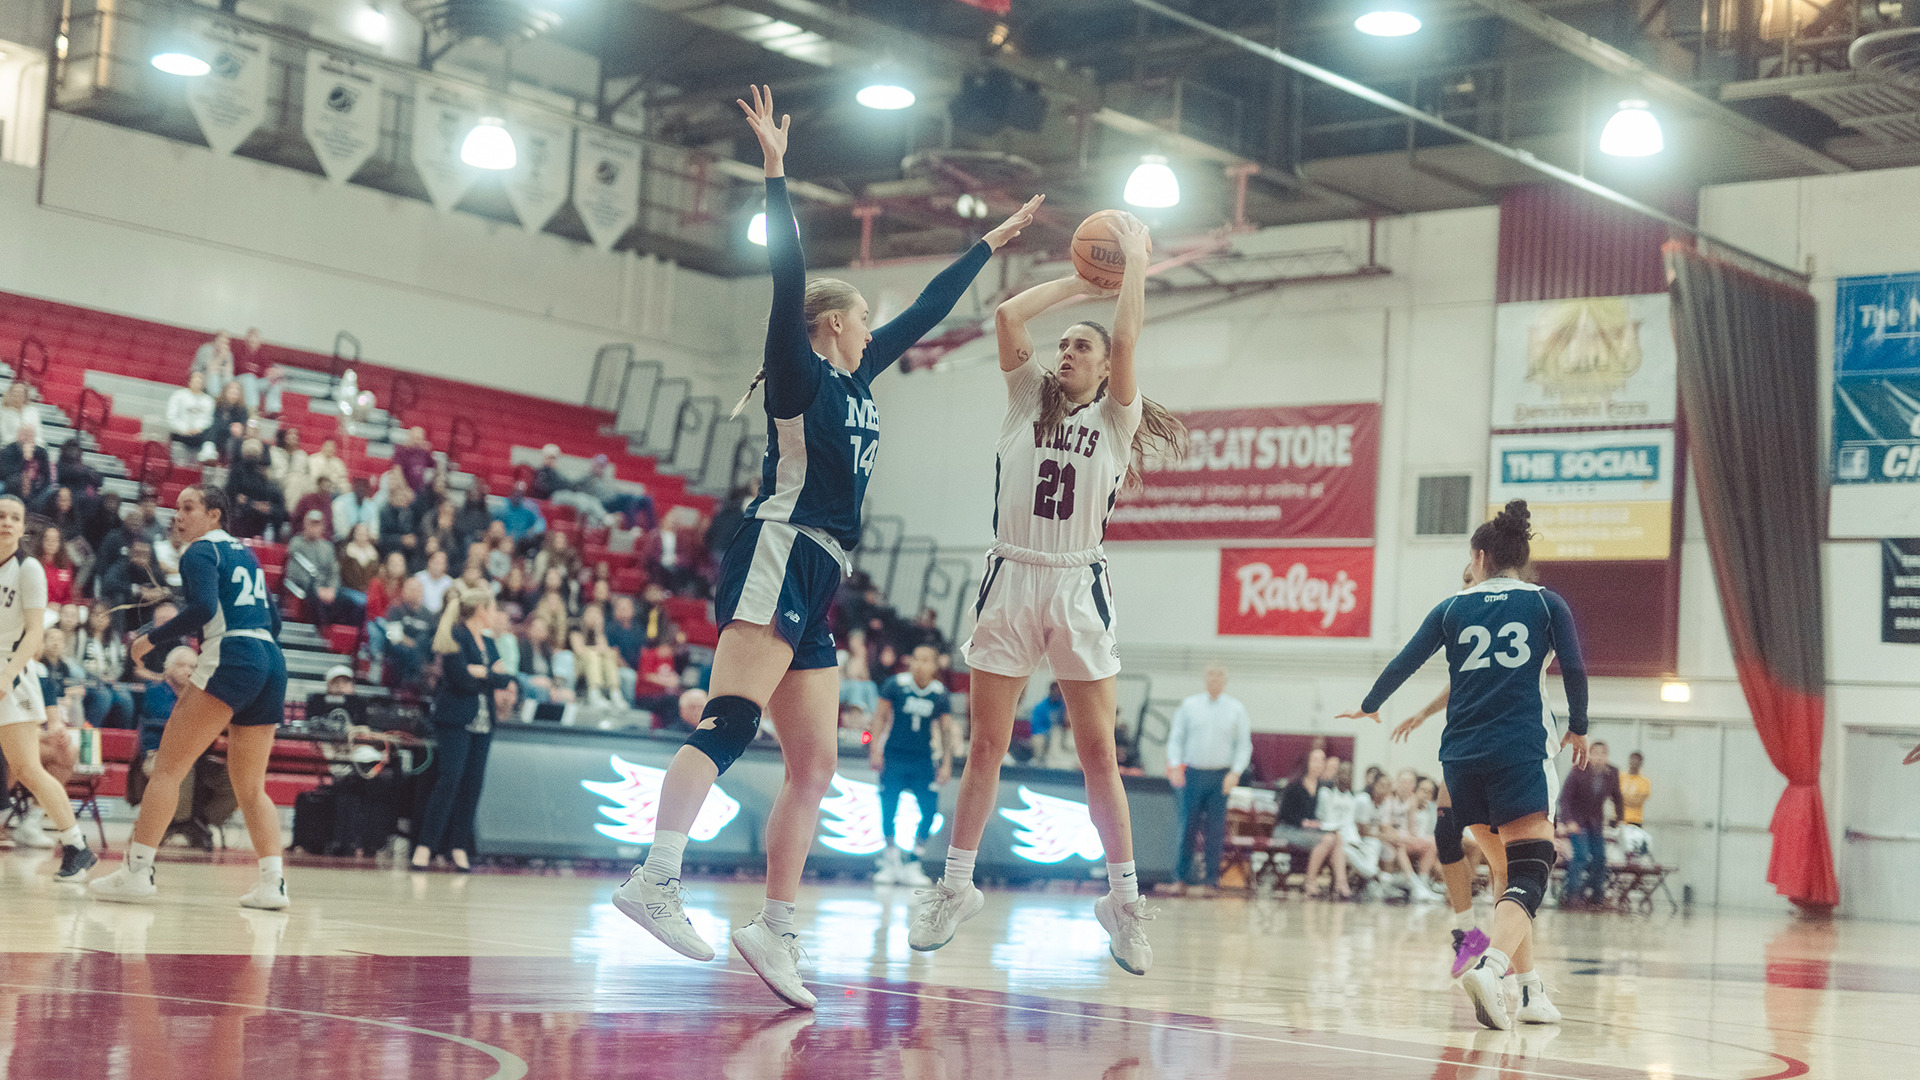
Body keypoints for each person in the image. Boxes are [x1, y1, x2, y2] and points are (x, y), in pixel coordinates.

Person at [612, 85, 1036, 1010]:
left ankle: (775, 926)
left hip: (824, 573)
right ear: (837, 320)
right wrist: (774, 172)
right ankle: (656, 877)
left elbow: (924, 314)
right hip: (781, 547)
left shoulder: (861, 375)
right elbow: (789, 277)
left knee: (816, 766)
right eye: (863, 313)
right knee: (728, 722)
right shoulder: (802, 370)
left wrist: (988, 249)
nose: (876, 321)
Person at [915, 213, 1184, 976]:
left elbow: (1129, 339)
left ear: (1104, 370)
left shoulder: (1116, 416)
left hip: (1075, 583)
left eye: (1081, 346)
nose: (1066, 351)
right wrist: (1079, 281)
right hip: (1011, 574)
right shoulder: (1023, 399)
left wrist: (1131, 267)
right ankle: (954, 888)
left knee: (1100, 751)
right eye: (1064, 343)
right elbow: (1006, 316)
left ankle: (1123, 903)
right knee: (987, 748)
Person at [1340, 499, 1586, 1030]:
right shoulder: (1545, 603)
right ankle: (1490, 963)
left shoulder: (1454, 606)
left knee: (1504, 871)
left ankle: (1530, 990)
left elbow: (1407, 659)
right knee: (1530, 868)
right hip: (1520, 752)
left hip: (1460, 759)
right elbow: (1575, 668)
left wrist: (1371, 702)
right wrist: (1580, 726)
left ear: (1479, 556)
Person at [90, 486, 292, 909]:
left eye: (189, 508)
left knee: (167, 768)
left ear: (214, 515)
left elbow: (201, 609)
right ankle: (273, 884)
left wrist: (150, 638)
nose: (178, 516)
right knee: (251, 785)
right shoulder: (246, 555)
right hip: (271, 660)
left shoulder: (199, 552)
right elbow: (273, 620)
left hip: (234, 655)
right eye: (177, 508)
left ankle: (136, 872)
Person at [0, 495, 96, 880]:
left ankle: (76, 845)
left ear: (24, 528)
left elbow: (36, 633)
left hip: (13, 671)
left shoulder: (29, 569)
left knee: (27, 768)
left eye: (14, 518)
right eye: (1, 516)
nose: (6, 522)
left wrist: (7, 675)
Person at [411, 588, 513, 871]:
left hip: (483, 722)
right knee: (449, 780)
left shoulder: (489, 643)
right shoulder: (456, 635)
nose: (495, 614)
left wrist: (482, 674)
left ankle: (458, 846)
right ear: (480, 608)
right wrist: (486, 676)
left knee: (472, 785)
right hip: (455, 718)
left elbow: (505, 679)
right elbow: (460, 679)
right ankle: (425, 845)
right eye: (492, 608)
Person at [1163, 663, 1252, 897]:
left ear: (1225, 679)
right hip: (1192, 774)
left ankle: (1211, 882)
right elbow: (1176, 738)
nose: (1215, 679)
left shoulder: (1236, 709)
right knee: (1187, 828)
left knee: (1215, 831)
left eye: (1219, 675)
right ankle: (1180, 879)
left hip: (1220, 777)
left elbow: (1244, 745)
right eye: (1211, 674)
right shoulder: (1189, 706)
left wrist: (1235, 772)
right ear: (1205, 678)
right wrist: (1174, 765)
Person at [868, 644, 954, 887]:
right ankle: (890, 858)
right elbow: (880, 717)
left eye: (927, 660)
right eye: (917, 659)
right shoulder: (895, 685)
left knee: (929, 811)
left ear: (935, 665)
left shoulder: (940, 693)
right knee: (888, 807)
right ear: (910, 662)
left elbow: (945, 730)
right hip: (894, 755)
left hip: (923, 758)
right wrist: (875, 749)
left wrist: (947, 762)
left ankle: (914, 860)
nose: (921, 664)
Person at [1558, 739, 1623, 909]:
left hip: (1596, 822)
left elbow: (1618, 797)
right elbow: (1565, 799)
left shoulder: (1612, 773)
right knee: (1580, 856)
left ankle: (1597, 898)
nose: (1599, 758)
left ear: (1607, 757)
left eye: (1603, 754)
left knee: (1600, 858)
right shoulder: (1578, 771)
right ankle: (1573, 896)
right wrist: (1568, 821)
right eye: (1595, 754)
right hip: (1577, 821)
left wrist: (1620, 819)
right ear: (1589, 755)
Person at [285, 510, 362, 627]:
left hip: (327, 589)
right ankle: (320, 635)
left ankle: (343, 639)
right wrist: (317, 589)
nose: (315, 528)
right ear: (305, 524)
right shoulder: (297, 543)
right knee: (316, 601)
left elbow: (334, 571)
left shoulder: (327, 547)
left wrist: (332, 589)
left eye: (318, 524)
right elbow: (294, 571)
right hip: (307, 587)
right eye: (312, 524)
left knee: (351, 604)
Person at [1301, 755, 1355, 899]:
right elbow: (1291, 817)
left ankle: (1339, 883)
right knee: (1332, 839)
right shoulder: (1317, 790)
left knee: (1335, 839)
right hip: (1305, 830)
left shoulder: (1349, 796)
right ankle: (1336, 883)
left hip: (1329, 833)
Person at [75, 603, 134, 729]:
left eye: (105, 616)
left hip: (110, 681)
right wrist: (97, 677)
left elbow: (119, 664)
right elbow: (78, 662)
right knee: (103, 696)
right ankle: (90, 731)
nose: (101, 619)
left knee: (125, 698)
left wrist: (113, 676)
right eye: (97, 615)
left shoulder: (114, 637)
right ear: (90, 616)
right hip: (87, 681)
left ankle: (121, 737)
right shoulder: (82, 635)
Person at [374, 577, 435, 694]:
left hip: (422, 654)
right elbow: (393, 636)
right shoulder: (395, 610)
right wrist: (413, 644)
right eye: (411, 589)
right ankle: (405, 688)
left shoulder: (428, 614)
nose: (414, 592)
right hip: (400, 653)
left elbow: (432, 639)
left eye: (417, 590)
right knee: (405, 651)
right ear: (404, 591)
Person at [570, 603, 624, 708]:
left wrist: (598, 631)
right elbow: (580, 651)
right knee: (592, 655)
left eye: (597, 614)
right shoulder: (576, 630)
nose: (594, 616)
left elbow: (604, 650)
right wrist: (596, 650)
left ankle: (615, 692)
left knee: (609, 655)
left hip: (598, 665)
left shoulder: (600, 633)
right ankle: (594, 693)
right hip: (579, 665)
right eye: (590, 613)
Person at [166, 370, 218, 462]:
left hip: (199, 435)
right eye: (196, 378)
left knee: (213, 429)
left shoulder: (209, 400)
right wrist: (185, 430)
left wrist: (199, 429)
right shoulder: (178, 396)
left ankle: (208, 453)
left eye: (201, 379)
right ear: (190, 381)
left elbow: (209, 420)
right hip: (181, 433)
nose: (198, 381)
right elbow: (171, 418)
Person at [0, 425, 52, 502]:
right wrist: (24, 459)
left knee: (50, 493)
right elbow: (5, 474)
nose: (27, 438)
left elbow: (47, 476)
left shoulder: (41, 452)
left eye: (30, 436)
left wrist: (39, 490)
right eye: (24, 435)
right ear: (18, 436)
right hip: (12, 486)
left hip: (36, 488)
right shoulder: (8, 450)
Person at [493, 481, 547, 547]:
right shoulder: (502, 506)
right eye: (516, 491)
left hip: (522, 542)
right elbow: (494, 523)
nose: (517, 495)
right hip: (503, 540)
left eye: (521, 493)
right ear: (511, 491)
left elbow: (540, 522)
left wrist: (535, 531)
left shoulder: (529, 507)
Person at [35, 525, 76, 606]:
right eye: (47, 540)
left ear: (60, 543)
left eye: (55, 540)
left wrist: (60, 608)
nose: (51, 544)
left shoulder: (66, 565)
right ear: (41, 541)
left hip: (59, 612)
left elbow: (69, 598)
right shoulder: (34, 565)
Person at [1026, 682, 1064, 765]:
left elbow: (1066, 723)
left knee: (1056, 732)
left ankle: (1055, 759)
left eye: (1059, 691)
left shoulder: (1063, 705)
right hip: (1042, 732)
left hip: (1058, 733)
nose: (1057, 693)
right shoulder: (1040, 706)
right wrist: (1047, 732)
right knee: (1038, 739)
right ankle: (1038, 760)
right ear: (1051, 691)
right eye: (1055, 690)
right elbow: (1036, 726)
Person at [190, 330, 235, 398]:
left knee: (228, 376)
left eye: (226, 342)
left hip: (219, 375)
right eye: (222, 341)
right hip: (202, 374)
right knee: (213, 374)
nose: (223, 343)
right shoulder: (207, 349)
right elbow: (209, 368)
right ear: (216, 340)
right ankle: (215, 399)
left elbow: (229, 371)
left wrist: (227, 358)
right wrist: (220, 357)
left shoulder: (228, 353)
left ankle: (225, 400)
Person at [413, 549, 455, 615]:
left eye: (441, 564)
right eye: (436, 563)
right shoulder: (419, 578)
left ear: (445, 566)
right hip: (420, 614)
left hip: (441, 615)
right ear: (429, 562)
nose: (437, 566)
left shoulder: (449, 582)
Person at [0, 381, 42, 446]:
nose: (18, 394)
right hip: (10, 446)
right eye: (16, 392)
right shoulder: (4, 411)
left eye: (21, 392)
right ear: (11, 393)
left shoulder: (32, 411)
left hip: (30, 446)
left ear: (25, 395)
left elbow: (38, 433)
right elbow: (4, 434)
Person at [1620, 750, 1651, 826]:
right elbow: (1613, 797)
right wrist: (1632, 797)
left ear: (1641, 763)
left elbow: (1638, 801)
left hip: (1635, 820)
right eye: (1632, 759)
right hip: (1618, 819)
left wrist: (1622, 798)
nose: (1634, 762)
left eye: (1637, 760)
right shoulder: (1620, 778)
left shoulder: (1645, 781)